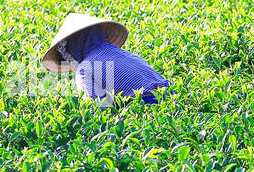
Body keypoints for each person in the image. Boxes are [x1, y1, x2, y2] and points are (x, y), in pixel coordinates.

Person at [41, 13, 169, 106]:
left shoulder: (84, 69)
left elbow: (99, 109)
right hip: (172, 95)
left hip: (147, 103)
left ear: (73, 49)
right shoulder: (125, 54)